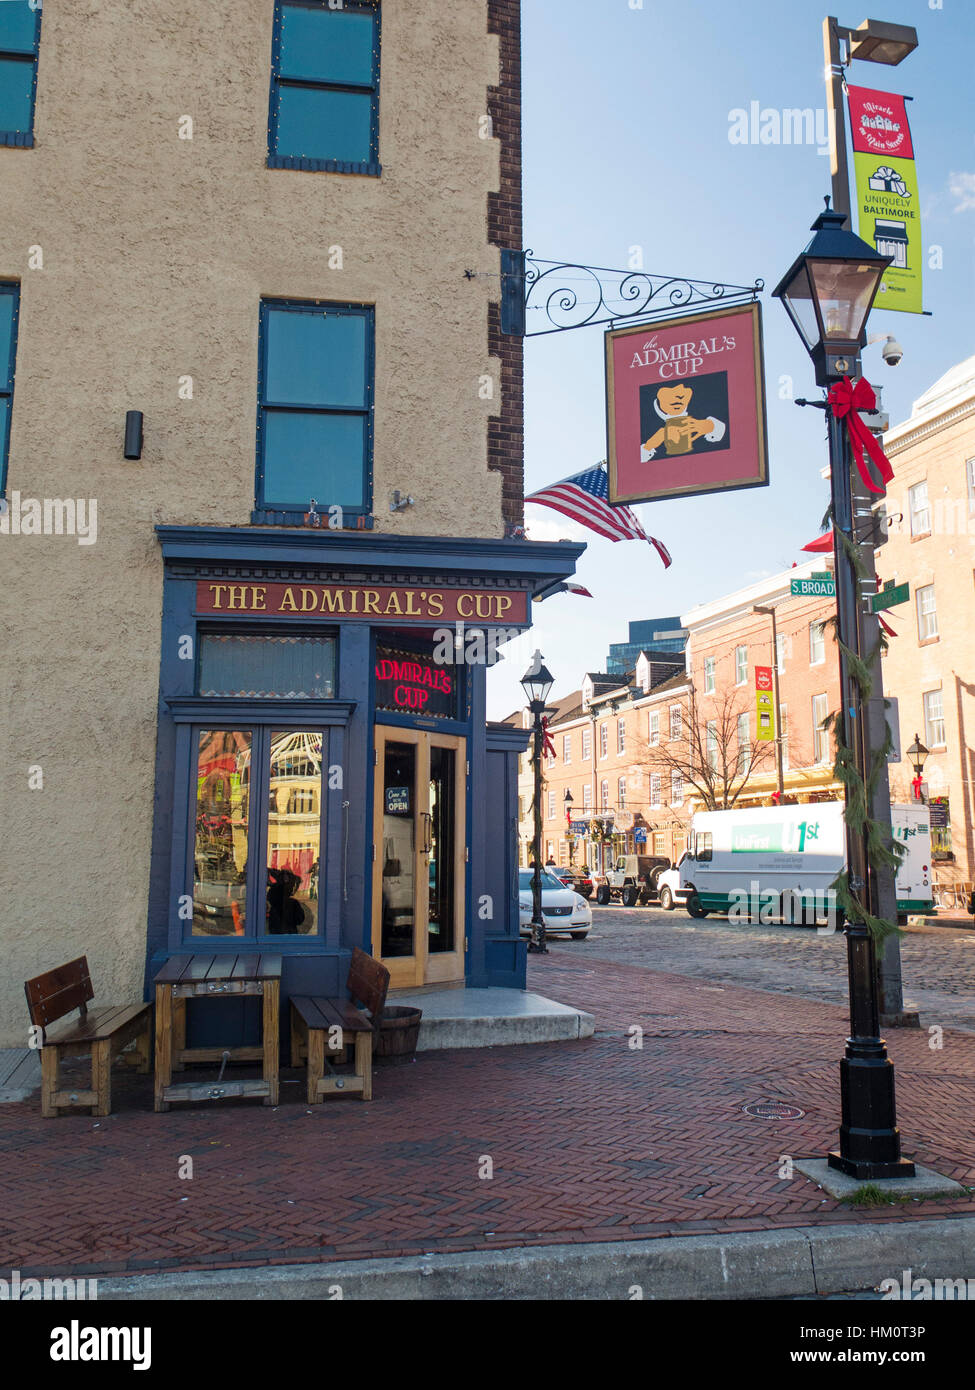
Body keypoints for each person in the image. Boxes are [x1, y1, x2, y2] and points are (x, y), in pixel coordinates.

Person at [641, 382, 725, 460]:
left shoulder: (702, 404)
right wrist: (649, 446)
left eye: (684, 393)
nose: (680, 397)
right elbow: (632, 463)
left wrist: (710, 426)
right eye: (671, 393)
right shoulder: (644, 415)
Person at [266, 866, 305, 934]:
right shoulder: (293, 904)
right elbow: (300, 919)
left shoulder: (292, 904)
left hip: (277, 933)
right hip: (288, 933)